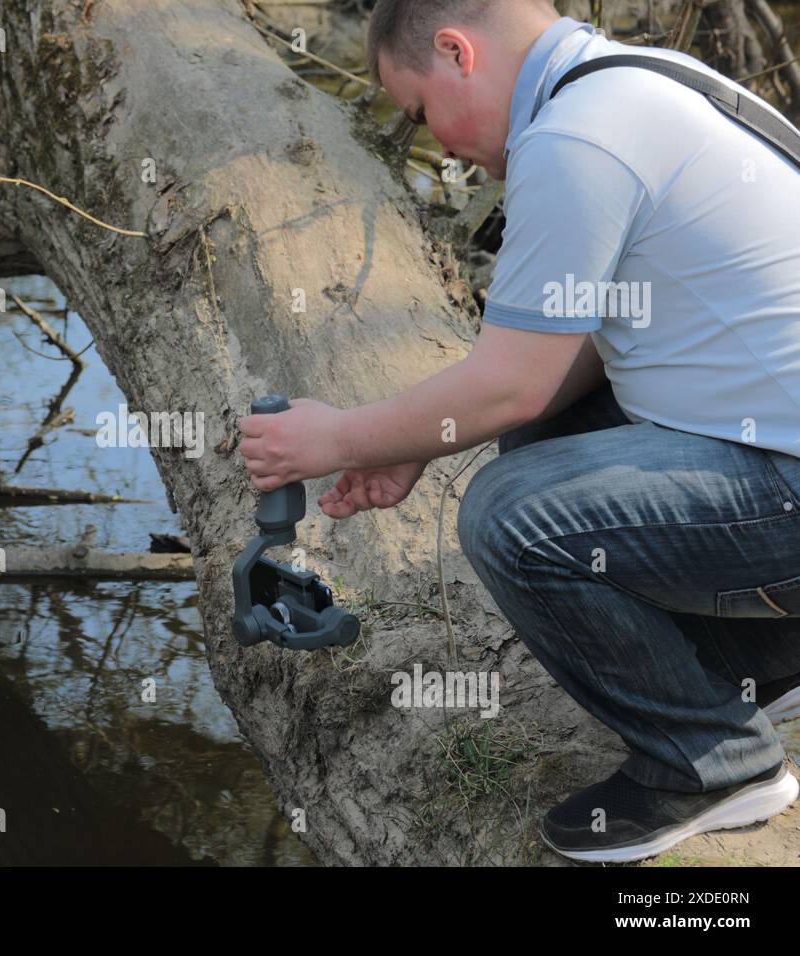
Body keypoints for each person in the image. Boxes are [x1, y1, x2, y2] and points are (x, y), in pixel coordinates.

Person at [237, 0, 800, 863]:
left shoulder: (576, 138)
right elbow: (559, 367)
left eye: (422, 114)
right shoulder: (628, 86)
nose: (437, 144)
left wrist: (339, 439)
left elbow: (509, 383)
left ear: (458, 52)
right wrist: (416, 438)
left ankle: (716, 763)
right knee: (545, 441)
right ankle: (758, 661)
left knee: (511, 512)